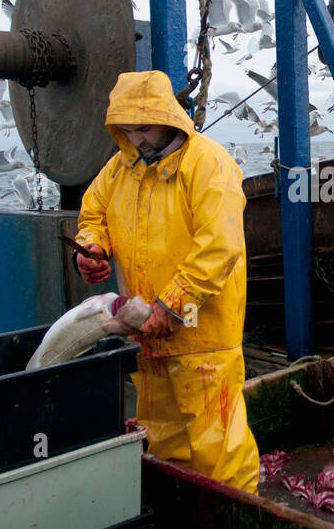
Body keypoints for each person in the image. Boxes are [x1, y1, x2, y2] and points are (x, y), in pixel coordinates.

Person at [74, 70, 260, 494]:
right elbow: (93, 214)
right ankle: (186, 527)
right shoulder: (121, 169)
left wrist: (172, 306)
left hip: (202, 333)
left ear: (167, 118)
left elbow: (220, 246)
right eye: (127, 130)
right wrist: (89, 250)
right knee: (162, 443)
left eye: (143, 128)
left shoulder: (208, 163)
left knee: (220, 452)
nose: (136, 139)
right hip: (147, 333)